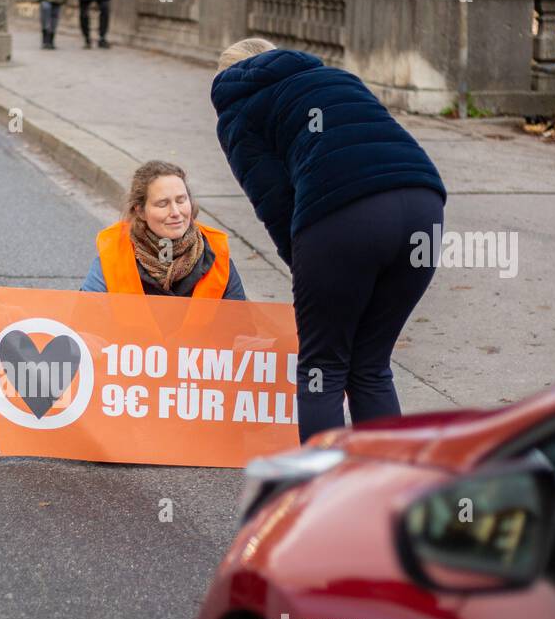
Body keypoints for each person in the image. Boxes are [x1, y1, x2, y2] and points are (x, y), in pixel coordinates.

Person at [211, 38, 447, 443]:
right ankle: (387, 492)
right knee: (371, 366)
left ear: (228, 74)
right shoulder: (335, 77)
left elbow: (274, 201)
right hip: (424, 203)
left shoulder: (238, 108)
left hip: (344, 213)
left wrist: (306, 270)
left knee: (323, 368)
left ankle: (326, 497)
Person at [82, 160, 246, 300]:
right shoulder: (115, 255)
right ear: (140, 211)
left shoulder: (216, 253)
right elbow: (85, 322)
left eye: (181, 200)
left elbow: (241, 327)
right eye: (162, 204)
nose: (175, 212)